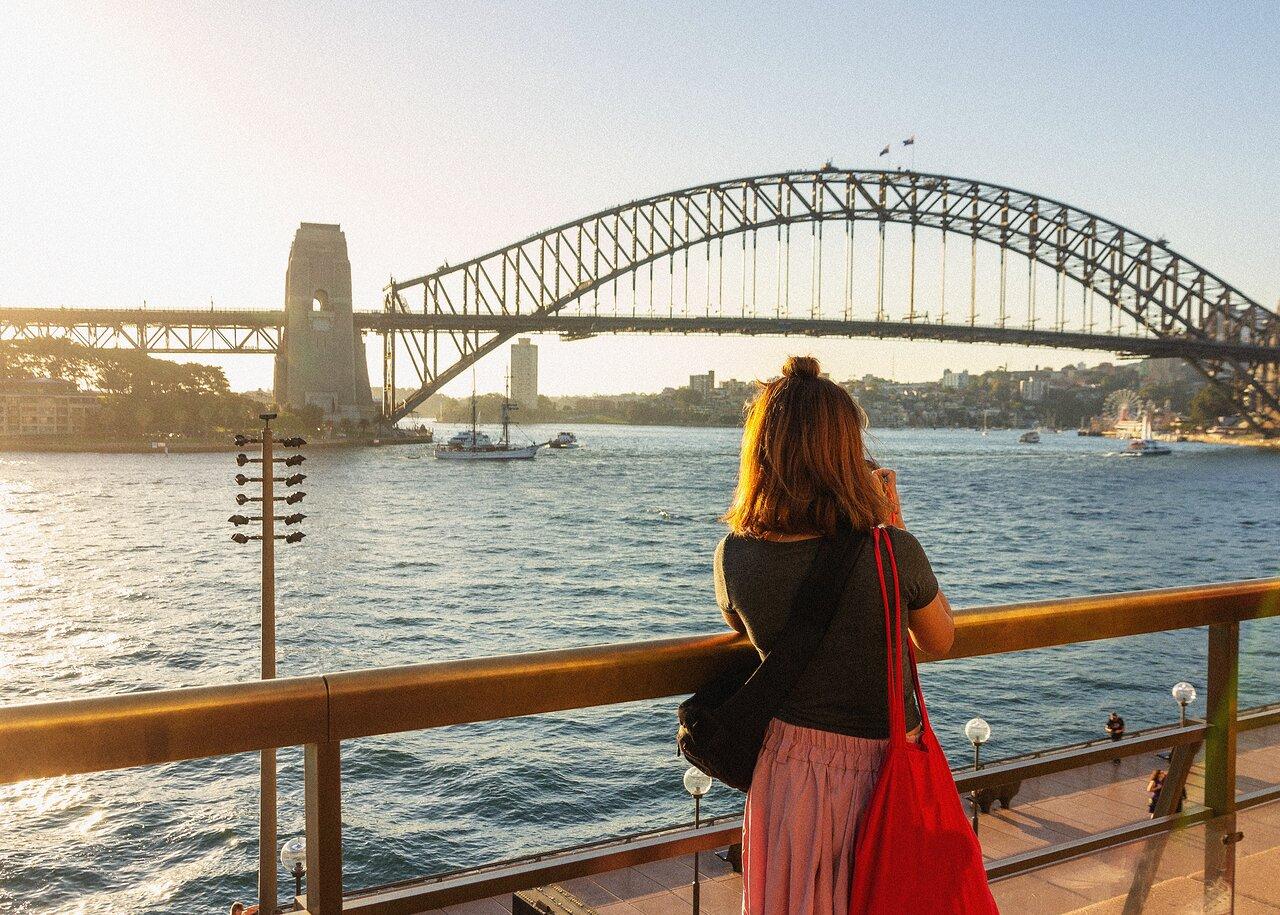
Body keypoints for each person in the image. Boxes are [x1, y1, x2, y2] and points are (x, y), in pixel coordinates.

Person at [714, 355, 955, 915]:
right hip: (884, 776)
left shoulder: (734, 555)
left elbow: (743, 627)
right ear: (846, 455)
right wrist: (889, 527)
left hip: (788, 773)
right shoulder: (892, 552)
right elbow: (939, 641)